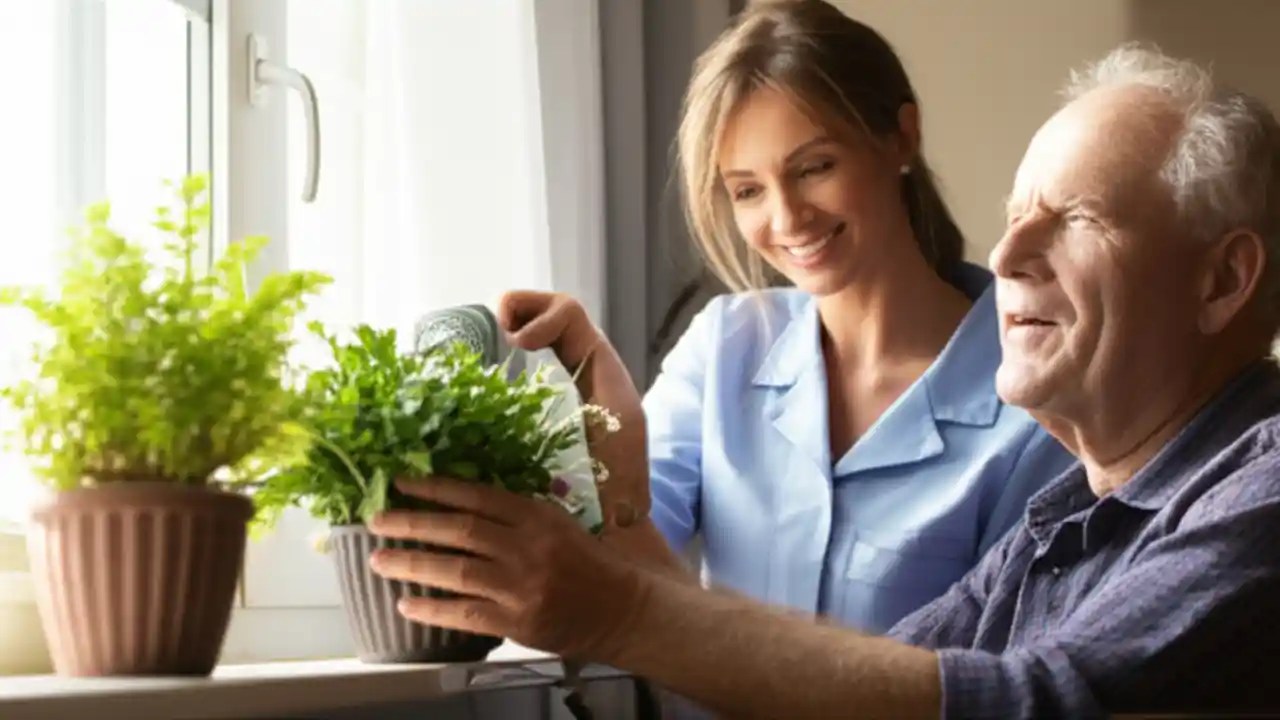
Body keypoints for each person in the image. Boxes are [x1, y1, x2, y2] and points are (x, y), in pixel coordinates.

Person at [366, 43, 1280, 717]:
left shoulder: (1253, 481)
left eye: (1074, 218)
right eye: (747, 188)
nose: (1008, 255)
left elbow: (1027, 701)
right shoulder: (1074, 516)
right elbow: (871, 679)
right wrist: (606, 462)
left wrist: (614, 608)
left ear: (1221, 280)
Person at [519, 0, 1078, 637]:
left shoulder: (1035, 399)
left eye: (814, 168)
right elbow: (610, 575)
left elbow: (1003, 672)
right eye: (748, 190)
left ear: (901, 137)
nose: (787, 220)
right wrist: (606, 413)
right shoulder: (724, 346)